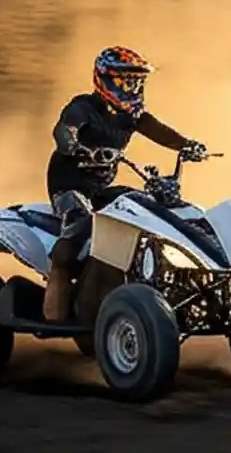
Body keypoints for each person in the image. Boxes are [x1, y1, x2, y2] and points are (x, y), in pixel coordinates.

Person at [42, 45, 208, 324]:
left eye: (137, 81)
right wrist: (77, 148)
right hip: (69, 184)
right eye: (127, 80)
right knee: (79, 227)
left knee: (143, 208)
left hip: (101, 188)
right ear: (106, 79)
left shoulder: (132, 115)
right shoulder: (82, 106)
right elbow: (63, 131)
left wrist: (188, 145)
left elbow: (160, 132)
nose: (134, 87)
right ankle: (55, 313)